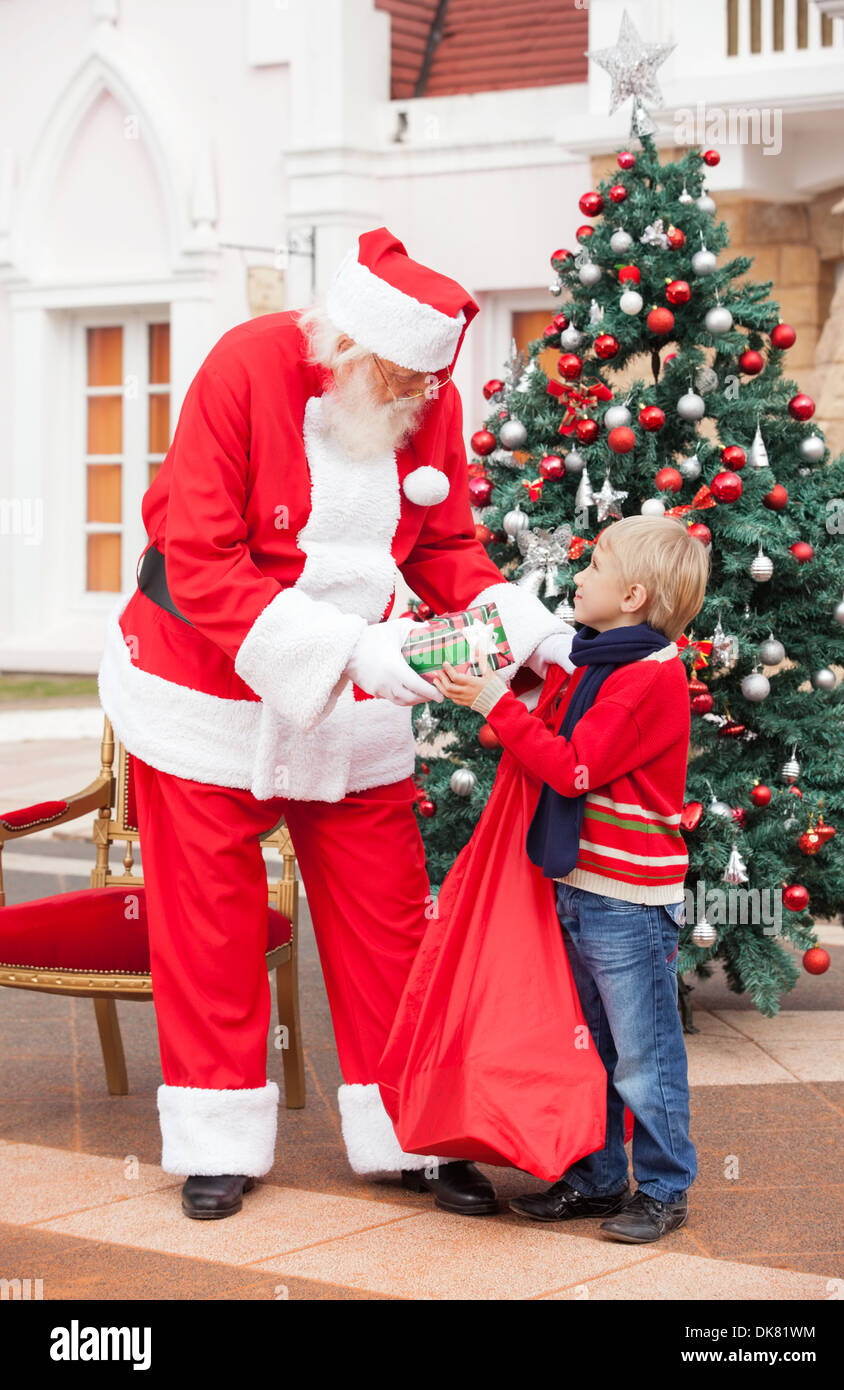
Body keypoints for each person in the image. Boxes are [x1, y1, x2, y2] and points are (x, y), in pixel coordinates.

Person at [96, 226, 575, 1218]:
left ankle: (414, 1131)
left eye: (426, 387)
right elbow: (198, 552)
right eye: (399, 381)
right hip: (206, 684)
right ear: (351, 347)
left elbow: (444, 542)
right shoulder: (245, 366)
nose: (415, 403)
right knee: (209, 924)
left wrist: (524, 632)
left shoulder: (421, 395)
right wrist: (354, 654)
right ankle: (216, 1138)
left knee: (390, 919)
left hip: (362, 688)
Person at [432, 514, 710, 1243]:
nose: (576, 577)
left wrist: (496, 704)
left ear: (633, 595)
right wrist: (505, 700)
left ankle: (663, 1187)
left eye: (593, 568)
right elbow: (547, 733)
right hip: (582, 885)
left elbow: (571, 765)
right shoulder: (599, 661)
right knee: (590, 1044)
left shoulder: (647, 679)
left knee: (643, 1051)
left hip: (627, 898)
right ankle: (593, 1179)